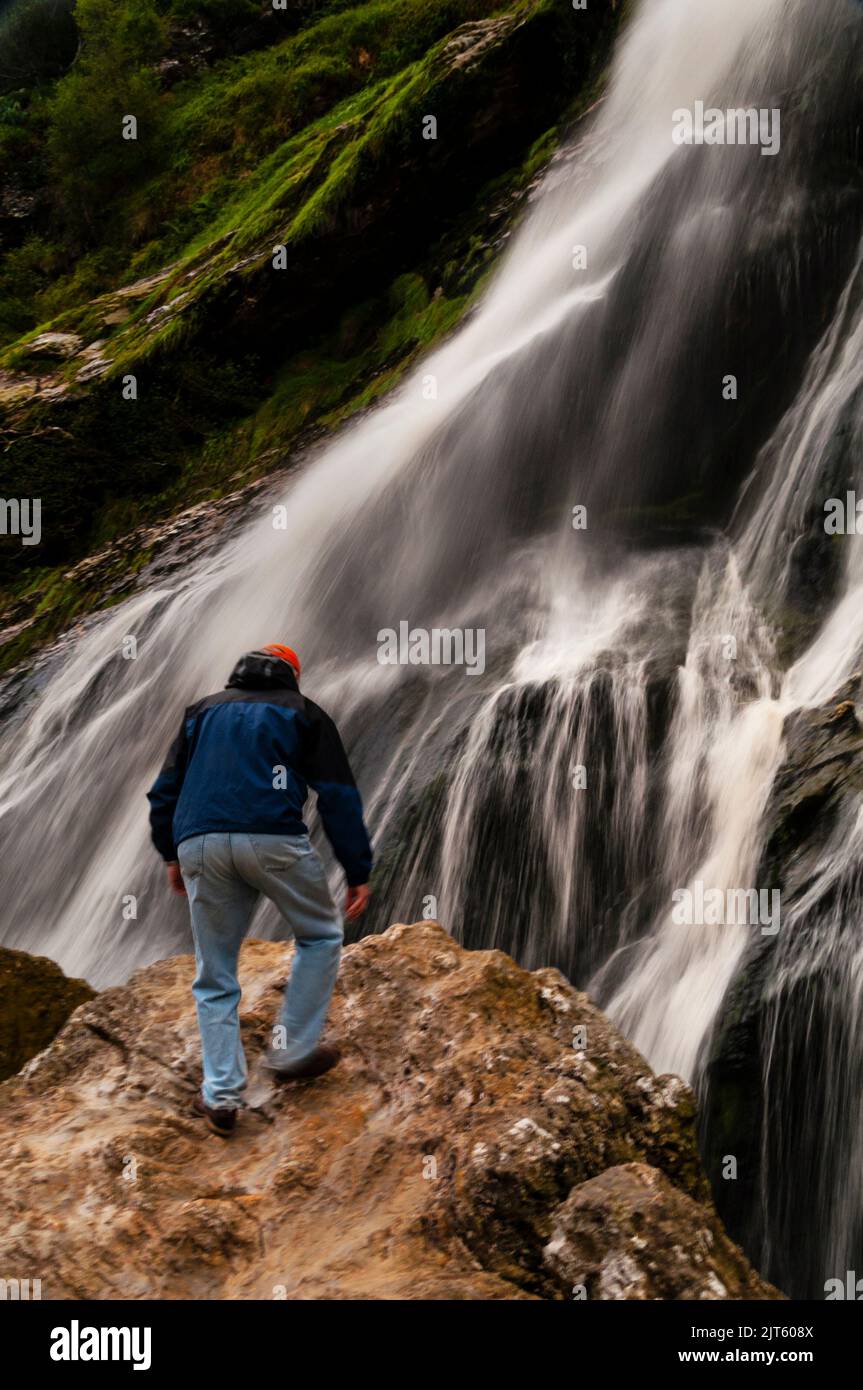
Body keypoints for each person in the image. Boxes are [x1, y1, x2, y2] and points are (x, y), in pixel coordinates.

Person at [146, 643, 373, 1137]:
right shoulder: (304, 713)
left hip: (199, 844)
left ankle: (221, 1097)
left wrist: (169, 852)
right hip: (272, 840)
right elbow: (336, 796)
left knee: (215, 974)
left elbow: (164, 790)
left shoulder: (200, 713)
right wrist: (357, 869)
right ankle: (290, 1050)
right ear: (292, 675)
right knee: (318, 934)